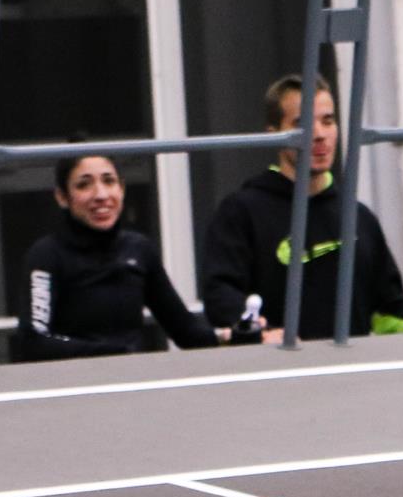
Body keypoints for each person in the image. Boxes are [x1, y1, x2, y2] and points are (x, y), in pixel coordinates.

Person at [199, 76, 403, 340]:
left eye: (328, 120)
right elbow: (221, 298)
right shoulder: (241, 211)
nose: (319, 134)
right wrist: (260, 334)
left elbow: (387, 310)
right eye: (302, 123)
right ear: (274, 134)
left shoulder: (358, 218)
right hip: (277, 382)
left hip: (349, 382)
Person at [15, 152, 266, 360]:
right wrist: (108, 352)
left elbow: (186, 332)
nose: (101, 195)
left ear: (122, 188)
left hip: (132, 384)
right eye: (84, 184)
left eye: (109, 181)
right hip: (73, 391)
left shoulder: (139, 249)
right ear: (62, 197)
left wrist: (235, 336)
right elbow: (33, 341)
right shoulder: (46, 255)